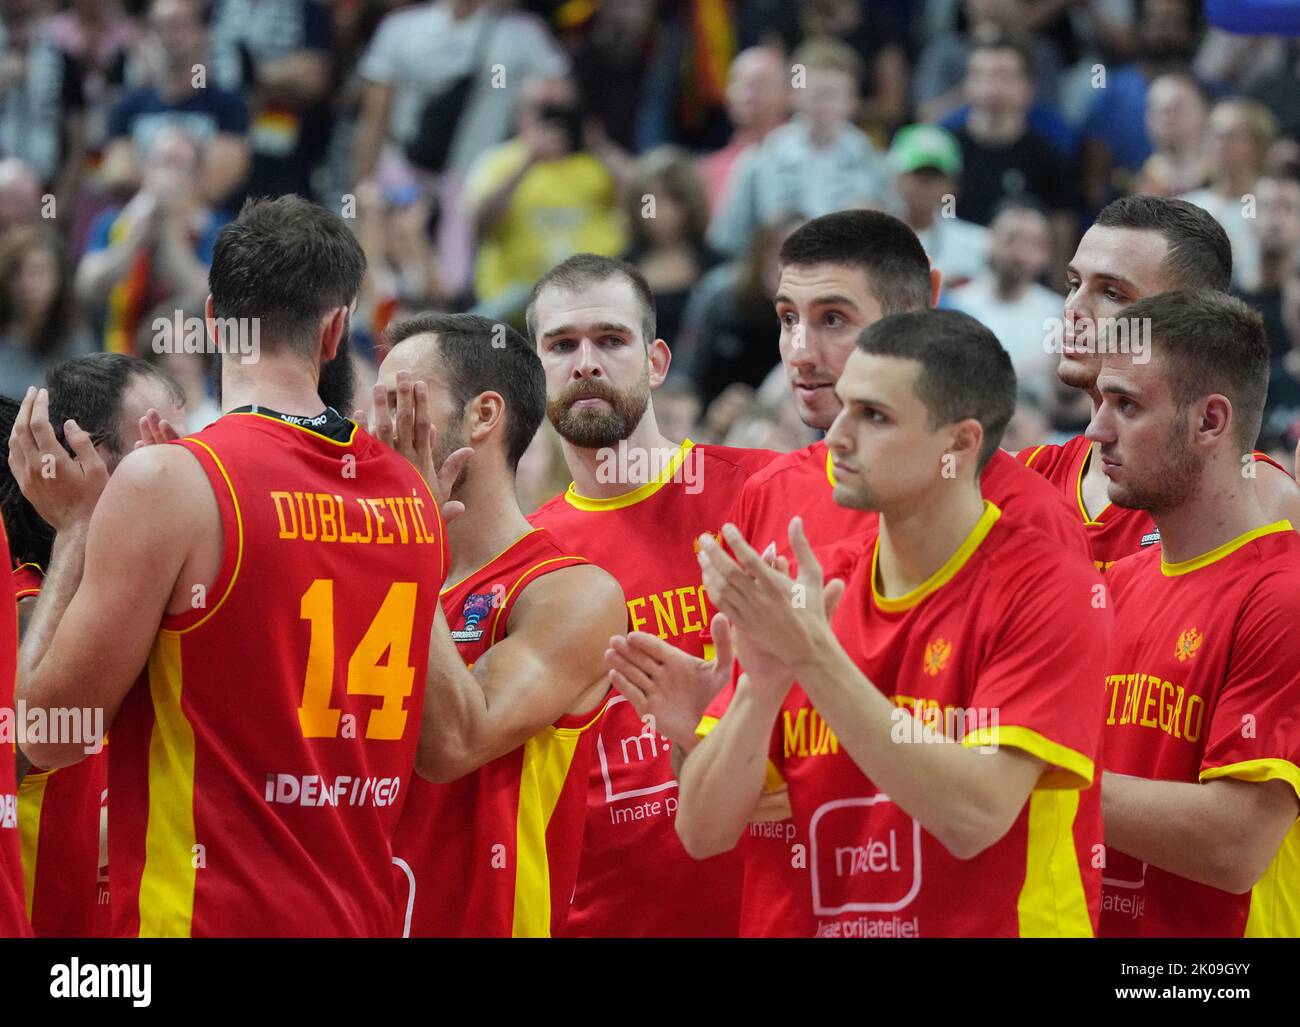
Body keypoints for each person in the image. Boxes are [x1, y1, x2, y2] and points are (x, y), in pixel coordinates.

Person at [607, 209, 1089, 938]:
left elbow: (975, 804)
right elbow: (722, 805)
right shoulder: (774, 493)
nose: (801, 352)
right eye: (786, 318)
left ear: (915, 310)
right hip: (794, 909)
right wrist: (709, 730)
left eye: (833, 318)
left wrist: (795, 715)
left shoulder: (1032, 523)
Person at [9, 194, 448, 937]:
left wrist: (82, 528)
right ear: (336, 329)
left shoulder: (172, 482)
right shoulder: (414, 492)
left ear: (214, 318)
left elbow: (48, 735)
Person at [525, 253, 776, 937]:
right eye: (561, 344)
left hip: (771, 909)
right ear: (535, 371)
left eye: (611, 339)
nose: (586, 363)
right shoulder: (528, 557)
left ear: (657, 360)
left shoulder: (764, 493)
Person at [374, 313, 624, 937]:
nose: (378, 429)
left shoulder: (570, 592)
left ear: (484, 415)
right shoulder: (361, 569)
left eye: (402, 401)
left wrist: (413, 538)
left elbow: (455, 743)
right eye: (374, 406)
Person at [1089, 290, 1300, 937]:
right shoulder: (1110, 586)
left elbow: (1234, 844)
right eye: (1099, 401)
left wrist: (1022, 775)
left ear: (1211, 422)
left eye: (1127, 405)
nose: (1096, 429)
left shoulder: (1284, 593)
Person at [0, 354, 187, 939]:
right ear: (74, 457)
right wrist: (78, 528)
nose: (177, 470)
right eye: (150, 449)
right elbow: (39, 741)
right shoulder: (25, 607)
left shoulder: (178, 597)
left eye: (183, 443)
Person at [1020, 194, 1300, 570]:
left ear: (1189, 317)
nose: (1073, 309)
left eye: (1112, 293)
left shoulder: (1259, 499)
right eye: (1073, 284)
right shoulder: (1030, 474)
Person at [707, 37, 892, 259]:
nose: (823, 105)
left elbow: (894, 234)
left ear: (852, 100)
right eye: (815, 95)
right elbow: (727, 237)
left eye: (832, 95)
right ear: (793, 95)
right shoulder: (763, 156)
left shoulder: (872, 158)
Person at [462, 75, 625, 321]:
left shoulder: (598, 161)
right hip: (515, 311)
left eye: (563, 111)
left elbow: (650, 202)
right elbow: (480, 227)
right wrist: (527, 162)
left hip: (593, 305)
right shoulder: (498, 161)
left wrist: (601, 147)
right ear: (520, 114)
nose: (553, 122)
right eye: (543, 111)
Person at [101, 0, 251, 209]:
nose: (170, 34)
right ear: (147, 34)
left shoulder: (228, 106)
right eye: (160, 25)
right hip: (142, 224)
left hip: (206, 229)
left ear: (204, 32)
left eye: (180, 24)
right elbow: (117, 175)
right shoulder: (127, 107)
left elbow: (219, 182)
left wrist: (159, 189)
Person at [948, 198, 1062, 396]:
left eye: (1032, 243)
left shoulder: (1059, 313)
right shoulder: (957, 305)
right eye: (1011, 239)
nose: (1019, 253)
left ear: (1046, 253)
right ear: (989, 240)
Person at [1179, 98, 1279, 290]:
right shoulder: (1188, 207)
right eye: (1214, 135)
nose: (1220, 144)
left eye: (1231, 136)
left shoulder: (1279, 201)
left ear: (1257, 145)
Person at [890, 123, 987, 290]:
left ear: (952, 186)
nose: (925, 186)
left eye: (935, 177)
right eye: (917, 175)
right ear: (897, 178)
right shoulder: (872, 241)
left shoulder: (976, 244)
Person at [0, 226, 93, 396]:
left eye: (39, 273)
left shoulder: (75, 343)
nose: (28, 284)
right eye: (18, 273)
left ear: (58, 279)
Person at [696, 46, 789, 214]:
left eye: (759, 82)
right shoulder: (706, 172)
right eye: (738, 81)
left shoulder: (806, 158)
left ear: (786, 93)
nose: (747, 91)